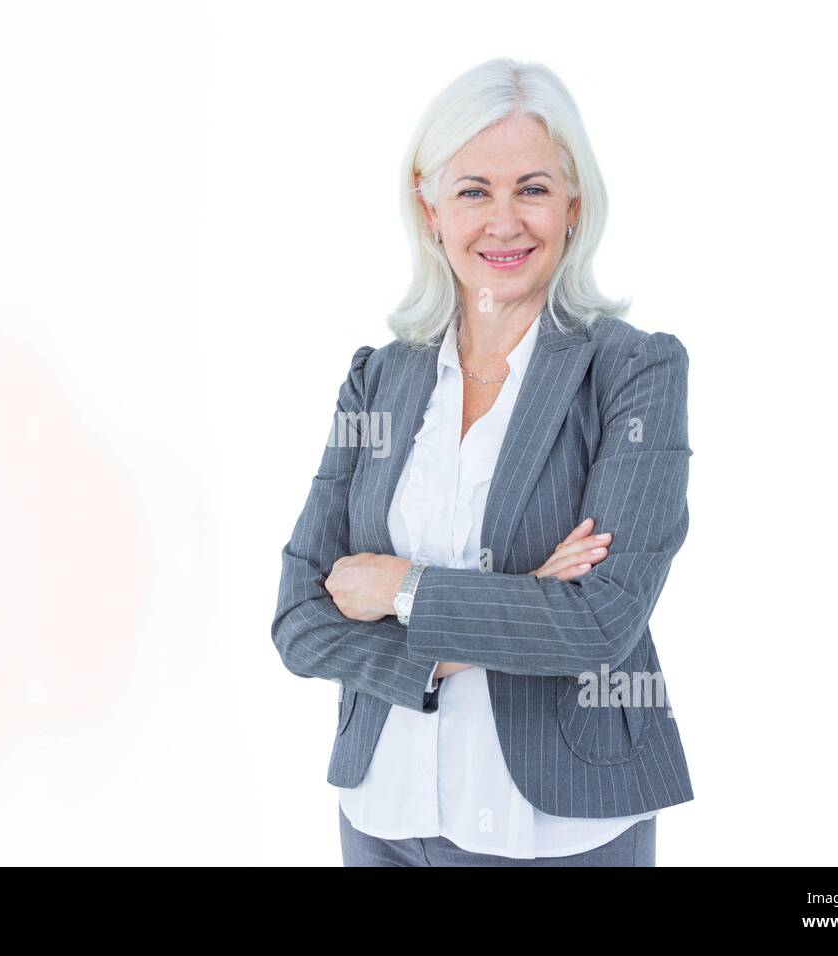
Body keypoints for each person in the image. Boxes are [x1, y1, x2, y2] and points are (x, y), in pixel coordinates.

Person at [271, 57, 695, 866]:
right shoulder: (378, 377)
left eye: (532, 189)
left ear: (573, 205)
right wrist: (527, 600)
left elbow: (603, 623)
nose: (505, 222)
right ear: (428, 207)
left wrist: (401, 589)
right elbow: (299, 620)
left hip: (562, 829)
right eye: (474, 191)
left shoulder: (635, 372)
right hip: (382, 817)